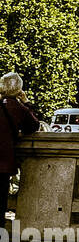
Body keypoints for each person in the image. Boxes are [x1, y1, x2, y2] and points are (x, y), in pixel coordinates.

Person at [0, 72, 41, 221]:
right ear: (18, 89)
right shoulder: (18, 108)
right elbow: (33, 125)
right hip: (3, 162)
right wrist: (26, 101)